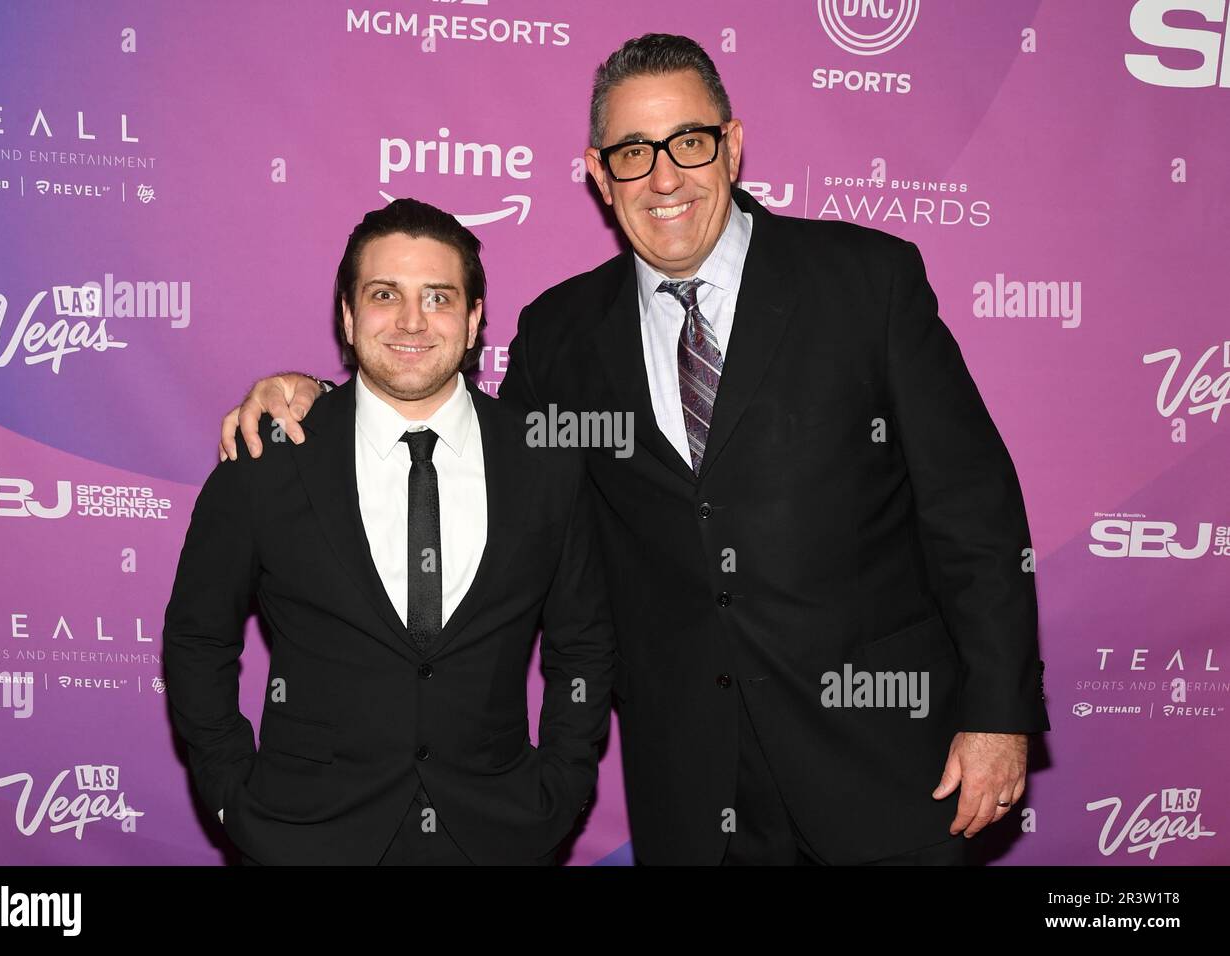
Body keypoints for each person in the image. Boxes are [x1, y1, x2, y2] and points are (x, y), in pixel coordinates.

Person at [216, 34, 1049, 865]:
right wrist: (320, 399)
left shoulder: (867, 282)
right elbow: (477, 453)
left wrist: (1001, 714)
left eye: (689, 141)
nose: (664, 176)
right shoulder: (563, 332)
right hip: (691, 776)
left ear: (732, 146)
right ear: (597, 171)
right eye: (632, 151)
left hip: (888, 760)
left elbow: (971, 509)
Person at [165, 198, 613, 865]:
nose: (411, 321)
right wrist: (235, 794)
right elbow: (198, 638)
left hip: (496, 836)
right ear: (348, 317)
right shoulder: (269, 459)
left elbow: (583, 646)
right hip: (305, 837)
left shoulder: (544, 463)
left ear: (473, 322)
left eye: (438, 297)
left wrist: (561, 788)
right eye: (384, 295)